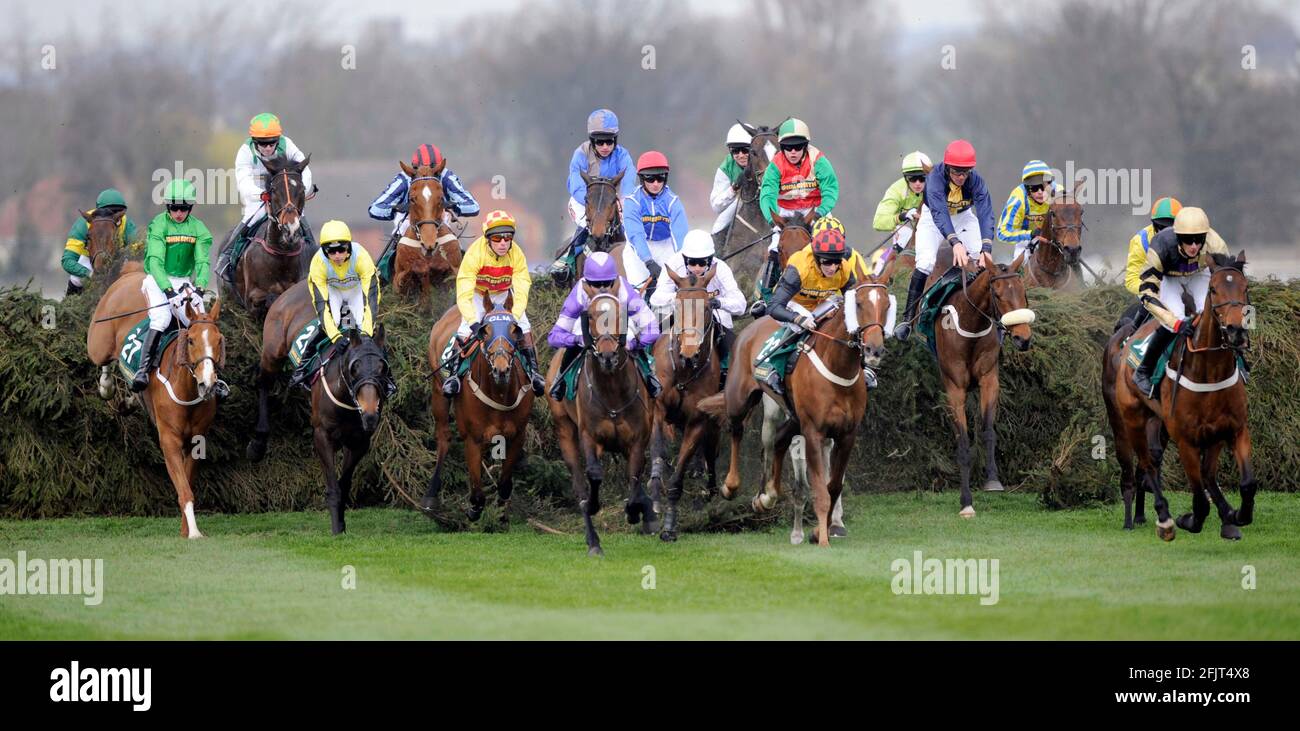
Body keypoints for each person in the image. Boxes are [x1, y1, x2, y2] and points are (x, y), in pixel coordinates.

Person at [894, 139, 996, 341]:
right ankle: (907, 320)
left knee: (979, 256)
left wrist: (986, 247)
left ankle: (990, 314)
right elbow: (940, 214)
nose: (961, 177)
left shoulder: (976, 181)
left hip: (963, 216)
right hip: (933, 218)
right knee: (925, 263)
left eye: (965, 172)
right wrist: (955, 242)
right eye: (957, 172)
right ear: (948, 167)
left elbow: (985, 213)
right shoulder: (934, 179)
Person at [1131, 206, 1237, 398]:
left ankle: (1239, 361)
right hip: (1169, 279)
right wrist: (1176, 324)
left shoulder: (1216, 244)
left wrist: (1246, 321)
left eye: (1199, 239)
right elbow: (1146, 292)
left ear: (1206, 236)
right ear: (1177, 236)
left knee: (1210, 313)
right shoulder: (1161, 245)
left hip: (1199, 274)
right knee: (1176, 318)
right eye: (1188, 240)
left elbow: (1231, 282)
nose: (1194, 246)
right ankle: (1144, 370)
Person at [757, 227, 878, 394]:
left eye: (836, 261)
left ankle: (863, 366)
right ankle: (772, 365)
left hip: (818, 303)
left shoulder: (843, 269)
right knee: (805, 322)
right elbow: (774, 306)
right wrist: (797, 318)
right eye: (827, 262)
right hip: (790, 304)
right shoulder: (800, 266)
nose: (832, 267)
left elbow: (852, 302)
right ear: (816, 258)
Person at [133, 179, 224, 399]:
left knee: (202, 324)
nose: (179, 212)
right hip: (157, 280)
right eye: (174, 207)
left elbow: (202, 262)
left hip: (185, 283)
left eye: (184, 208)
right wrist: (168, 291)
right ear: (168, 207)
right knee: (162, 319)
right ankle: (143, 371)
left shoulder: (199, 229)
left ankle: (214, 378)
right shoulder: (159, 225)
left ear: (190, 208)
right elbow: (154, 261)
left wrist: (200, 288)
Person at [440, 210, 546, 397]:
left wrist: (515, 314)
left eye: (508, 237)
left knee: (524, 325)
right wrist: (473, 321)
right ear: (488, 238)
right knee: (465, 329)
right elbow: (464, 292)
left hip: (504, 294)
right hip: (479, 295)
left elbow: (522, 286)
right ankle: (454, 377)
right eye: (497, 238)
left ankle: (534, 373)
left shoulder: (517, 254)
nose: (503, 243)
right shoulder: (475, 254)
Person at [290, 220, 393, 394]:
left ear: (349, 247)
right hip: (333, 291)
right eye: (331, 251)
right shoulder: (318, 263)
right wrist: (336, 338)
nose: (337, 255)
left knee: (365, 327)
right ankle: (301, 368)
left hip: (355, 291)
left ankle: (389, 378)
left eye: (342, 249)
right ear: (324, 250)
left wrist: (366, 333)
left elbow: (371, 300)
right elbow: (322, 307)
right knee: (333, 320)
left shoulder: (361, 257)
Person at [216, 113, 317, 285]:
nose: (268, 147)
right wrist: (261, 195)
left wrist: (302, 190)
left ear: (278, 139)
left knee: (300, 220)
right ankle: (226, 257)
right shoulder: (245, 152)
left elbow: (304, 170)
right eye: (263, 143)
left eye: (272, 142)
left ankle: (315, 256)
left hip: (283, 197)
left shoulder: (287, 144)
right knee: (251, 218)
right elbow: (243, 182)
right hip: (258, 197)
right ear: (254, 141)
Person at [547, 252, 661, 400]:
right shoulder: (579, 293)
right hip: (588, 327)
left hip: (620, 327)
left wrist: (634, 343)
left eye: (607, 283)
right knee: (573, 345)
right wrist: (576, 340)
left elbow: (653, 328)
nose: (602, 289)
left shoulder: (625, 290)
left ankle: (649, 377)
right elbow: (553, 336)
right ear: (587, 283)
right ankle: (560, 379)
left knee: (633, 336)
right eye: (595, 284)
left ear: (615, 281)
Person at [368, 143, 480, 282]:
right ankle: (384, 279)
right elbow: (375, 208)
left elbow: (473, 206)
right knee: (385, 262)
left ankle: (465, 277)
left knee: (456, 249)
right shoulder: (404, 178)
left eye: (433, 172)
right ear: (414, 169)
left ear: (439, 169)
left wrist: (450, 205)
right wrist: (400, 207)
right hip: (408, 222)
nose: (426, 174)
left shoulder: (446, 176)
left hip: (439, 221)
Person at [756, 118, 839, 303]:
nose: (793, 152)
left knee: (832, 243)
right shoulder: (776, 164)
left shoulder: (819, 160)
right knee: (774, 247)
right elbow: (767, 193)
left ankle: (838, 291)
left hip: (815, 209)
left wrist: (820, 212)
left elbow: (830, 189)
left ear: (805, 146)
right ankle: (765, 297)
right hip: (786, 212)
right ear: (782, 147)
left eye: (798, 147)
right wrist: (772, 220)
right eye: (787, 147)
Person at [550, 108, 637, 282]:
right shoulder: (581, 153)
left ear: (616, 140)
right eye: (600, 142)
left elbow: (628, 182)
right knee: (588, 224)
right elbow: (575, 183)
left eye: (610, 142)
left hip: (613, 199)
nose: (605, 147)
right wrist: (591, 202)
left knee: (629, 225)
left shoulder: (623, 156)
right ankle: (566, 261)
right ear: (592, 141)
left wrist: (624, 200)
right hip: (584, 199)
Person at [649, 229, 747, 384]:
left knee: (733, 345)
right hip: (679, 312)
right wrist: (681, 298)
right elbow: (656, 298)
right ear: (684, 258)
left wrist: (719, 303)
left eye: (702, 263)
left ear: (710, 259)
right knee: (651, 330)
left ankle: (726, 375)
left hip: (711, 315)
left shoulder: (721, 268)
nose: (696, 267)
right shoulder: (673, 264)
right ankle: (650, 368)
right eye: (692, 262)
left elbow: (741, 304)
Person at [621, 150, 688, 293]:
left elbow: (679, 236)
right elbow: (636, 235)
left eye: (660, 178)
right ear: (641, 179)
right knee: (637, 295)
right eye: (650, 179)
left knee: (672, 290)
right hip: (638, 249)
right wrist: (648, 261)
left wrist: (681, 261)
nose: (656, 184)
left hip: (666, 246)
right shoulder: (632, 201)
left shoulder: (673, 202)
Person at [61, 188, 140, 296]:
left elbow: (137, 250)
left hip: (117, 260)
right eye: (110, 212)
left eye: (118, 212)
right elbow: (67, 260)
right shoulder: (82, 225)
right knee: (76, 279)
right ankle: (70, 307)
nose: (116, 217)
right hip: (89, 261)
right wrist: (89, 274)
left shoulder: (126, 224)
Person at [871, 151, 931, 275]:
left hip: (932, 229)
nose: (918, 183)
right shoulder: (896, 190)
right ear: (905, 178)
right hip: (907, 232)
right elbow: (878, 222)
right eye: (913, 179)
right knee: (904, 235)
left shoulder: (935, 187)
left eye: (922, 178)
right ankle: (884, 276)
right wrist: (902, 216)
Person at [996, 160, 1057, 261]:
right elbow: (1002, 233)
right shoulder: (1018, 199)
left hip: (1053, 239)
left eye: (1043, 186)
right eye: (1035, 188)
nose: (1040, 192)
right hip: (1026, 241)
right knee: (1019, 267)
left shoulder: (1059, 193)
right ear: (1027, 188)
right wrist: (1030, 234)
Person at [709, 123, 754, 236]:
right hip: (740, 203)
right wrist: (734, 189)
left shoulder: (764, 159)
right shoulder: (725, 168)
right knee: (717, 228)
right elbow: (716, 206)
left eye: (745, 150)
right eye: (735, 151)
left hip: (764, 202)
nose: (741, 155)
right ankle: (717, 252)